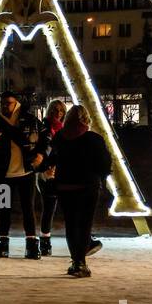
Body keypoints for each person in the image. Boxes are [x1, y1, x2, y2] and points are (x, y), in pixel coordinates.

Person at [45, 104, 110, 278]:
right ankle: (81, 262)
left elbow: (51, 159)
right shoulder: (94, 139)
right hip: (88, 187)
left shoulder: (59, 137)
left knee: (71, 224)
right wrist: (100, 178)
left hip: (65, 187)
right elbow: (104, 164)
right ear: (86, 119)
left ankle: (76, 261)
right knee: (84, 224)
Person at [0, 91, 49, 260]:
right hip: (3, 175)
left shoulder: (29, 119)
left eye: (9, 102)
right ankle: (2, 245)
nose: (5, 106)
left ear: (16, 104)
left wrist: (41, 154)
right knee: (3, 209)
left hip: (25, 173)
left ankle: (30, 245)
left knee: (28, 208)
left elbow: (45, 137)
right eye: (3, 103)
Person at [37, 99, 67, 256]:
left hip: (58, 172)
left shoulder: (62, 130)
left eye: (61, 111)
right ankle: (45, 242)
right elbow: (42, 150)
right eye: (55, 110)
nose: (58, 113)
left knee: (56, 207)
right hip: (46, 173)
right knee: (49, 207)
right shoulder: (44, 128)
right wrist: (44, 169)